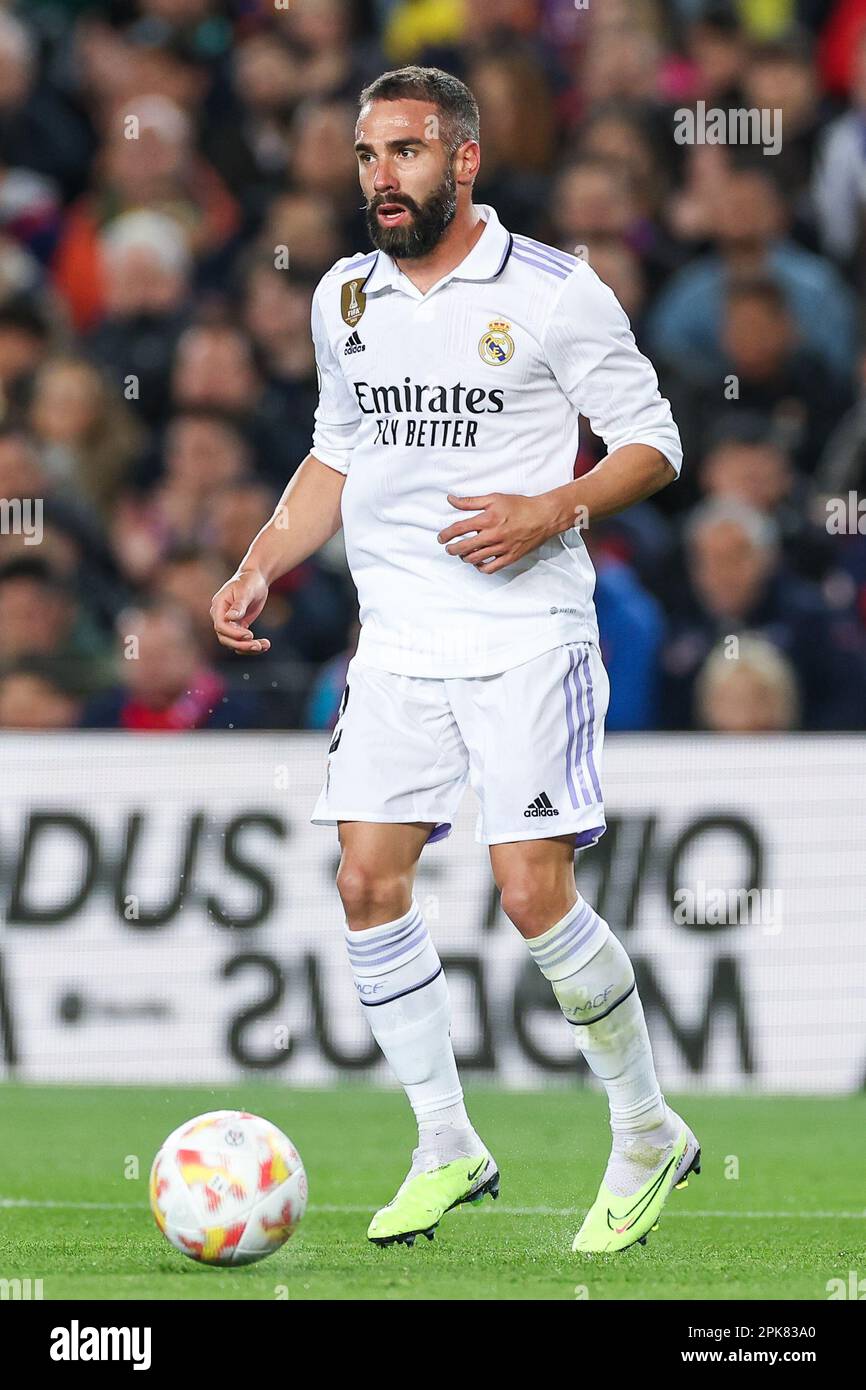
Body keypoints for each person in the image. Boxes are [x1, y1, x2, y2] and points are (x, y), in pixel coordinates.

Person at [210, 65, 698, 1256]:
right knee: (364, 881)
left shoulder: (554, 291)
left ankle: (644, 1130)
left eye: (406, 152)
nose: (381, 176)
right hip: (396, 641)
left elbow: (654, 443)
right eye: (367, 155)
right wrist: (261, 559)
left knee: (531, 894)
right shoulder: (344, 296)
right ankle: (444, 1141)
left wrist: (551, 508)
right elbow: (335, 452)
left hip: (525, 635)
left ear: (463, 159)